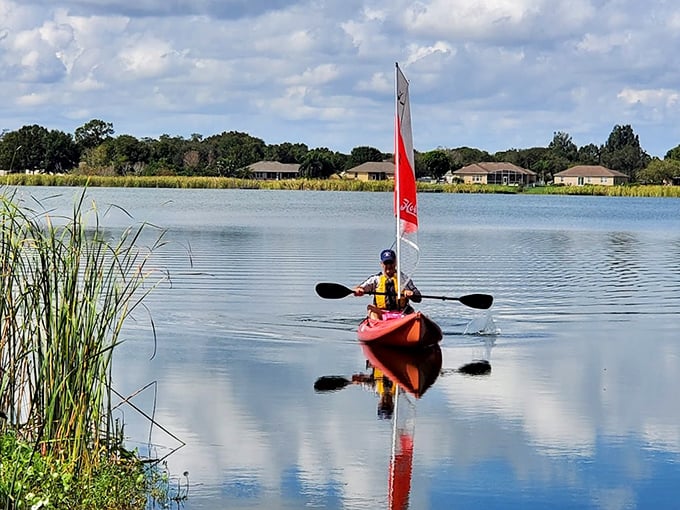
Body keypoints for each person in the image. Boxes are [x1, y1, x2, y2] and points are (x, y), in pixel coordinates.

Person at [353, 249, 422, 319]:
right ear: (382, 264)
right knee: (371, 308)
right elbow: (358, 288)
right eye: (386, 263)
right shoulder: (375, 279)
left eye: (391, 262)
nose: (389, 266)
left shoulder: (404, 279)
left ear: (395, 263)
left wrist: (412, 294)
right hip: (381, 314)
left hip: (402, 313)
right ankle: (378, 326)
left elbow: (418, 298)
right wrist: (358, 290)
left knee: (411, 311)